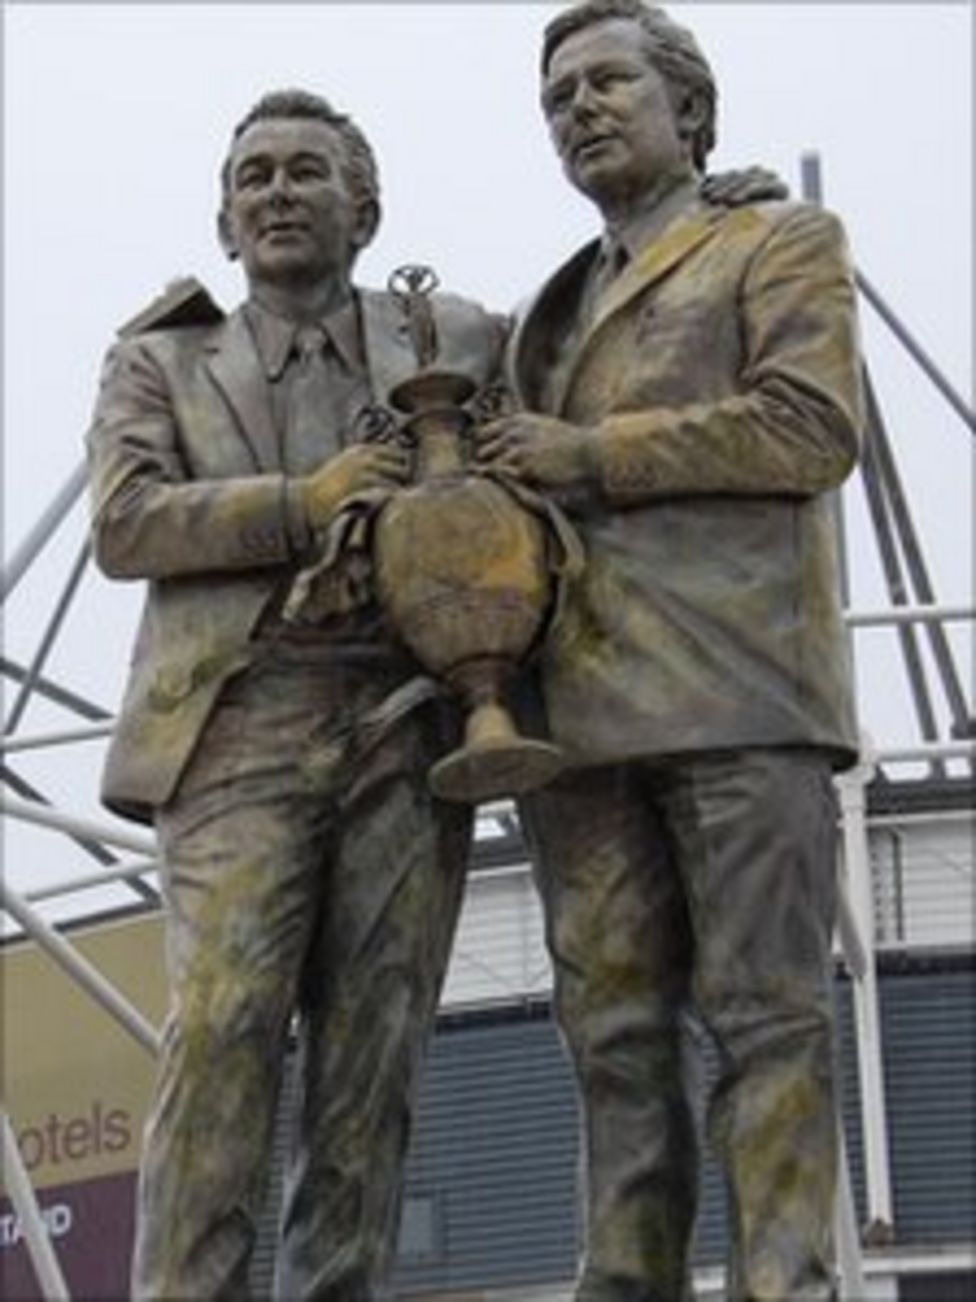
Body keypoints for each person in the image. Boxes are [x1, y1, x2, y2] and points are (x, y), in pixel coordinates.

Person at [86, 89, 502, 1301]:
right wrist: (302, 503)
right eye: (254, 177)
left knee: (371, 1059)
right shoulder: (161, 359)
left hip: (403, 724)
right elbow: (124, 525)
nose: (276, 194)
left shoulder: (451, 340)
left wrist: (705, 193)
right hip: (238, 727)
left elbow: (594, 348)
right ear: (224, 222)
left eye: (305, 174)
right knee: (221, 1032)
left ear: (363, 209)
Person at [476, 3, 864, 1299]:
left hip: (740, 694)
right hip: (578, 720)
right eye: (556, 98)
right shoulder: (543, 308)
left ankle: (785, 1284)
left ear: (688, 112)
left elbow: (808, 429)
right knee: (613, 1042)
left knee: (769, 1024)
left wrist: (590, 457)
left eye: (605, 83)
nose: (577, 109)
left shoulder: (776, 241)